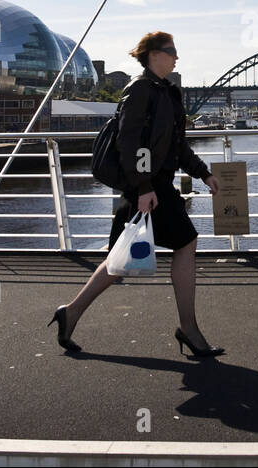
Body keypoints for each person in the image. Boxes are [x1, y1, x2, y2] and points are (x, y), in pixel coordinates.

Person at [49, 31, 224, 358]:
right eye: (171, 51)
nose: (176, 57)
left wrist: (203, 172)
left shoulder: (168, 92)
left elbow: (177, 145)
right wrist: (143, 187)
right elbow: (129, 142)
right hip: (147, 186)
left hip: (153, 186)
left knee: (121, 260)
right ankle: (188, 329)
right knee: (180, 244)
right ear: (154, 54)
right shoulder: (140, 89)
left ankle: (70, 313)